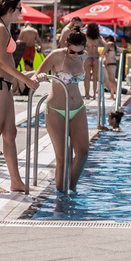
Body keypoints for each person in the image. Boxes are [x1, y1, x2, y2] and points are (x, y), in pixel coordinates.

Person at [0, 0, 38, 194]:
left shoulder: (3, 28)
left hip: (3, 84)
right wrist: (26, 80)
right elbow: (3, 62)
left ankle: (16, 181)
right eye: (20, 9)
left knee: (10, 133)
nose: (22, 13)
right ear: (11, 10)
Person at [34, 29, 89, 193]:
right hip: (56, 109)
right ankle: (61, 198)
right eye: (72, 51)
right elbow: (38, 74)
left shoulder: (84, 56)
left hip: (78, 107)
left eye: (79, 52)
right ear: (66, 46)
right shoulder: (57, 55)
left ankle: (70, 189)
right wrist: (41, 76)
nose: (75, 55)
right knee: (63, 157)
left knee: (83, 152)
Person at [83, 22, 103, 99]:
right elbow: (107, 45)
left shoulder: (85, 36)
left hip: (88, 57)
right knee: (95, 78)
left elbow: (77, 32)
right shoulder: (98, 37)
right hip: (96, 57)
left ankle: (87, 94)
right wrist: (102, 54)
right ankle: (94, 95)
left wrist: (84, 28)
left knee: (87, 77)